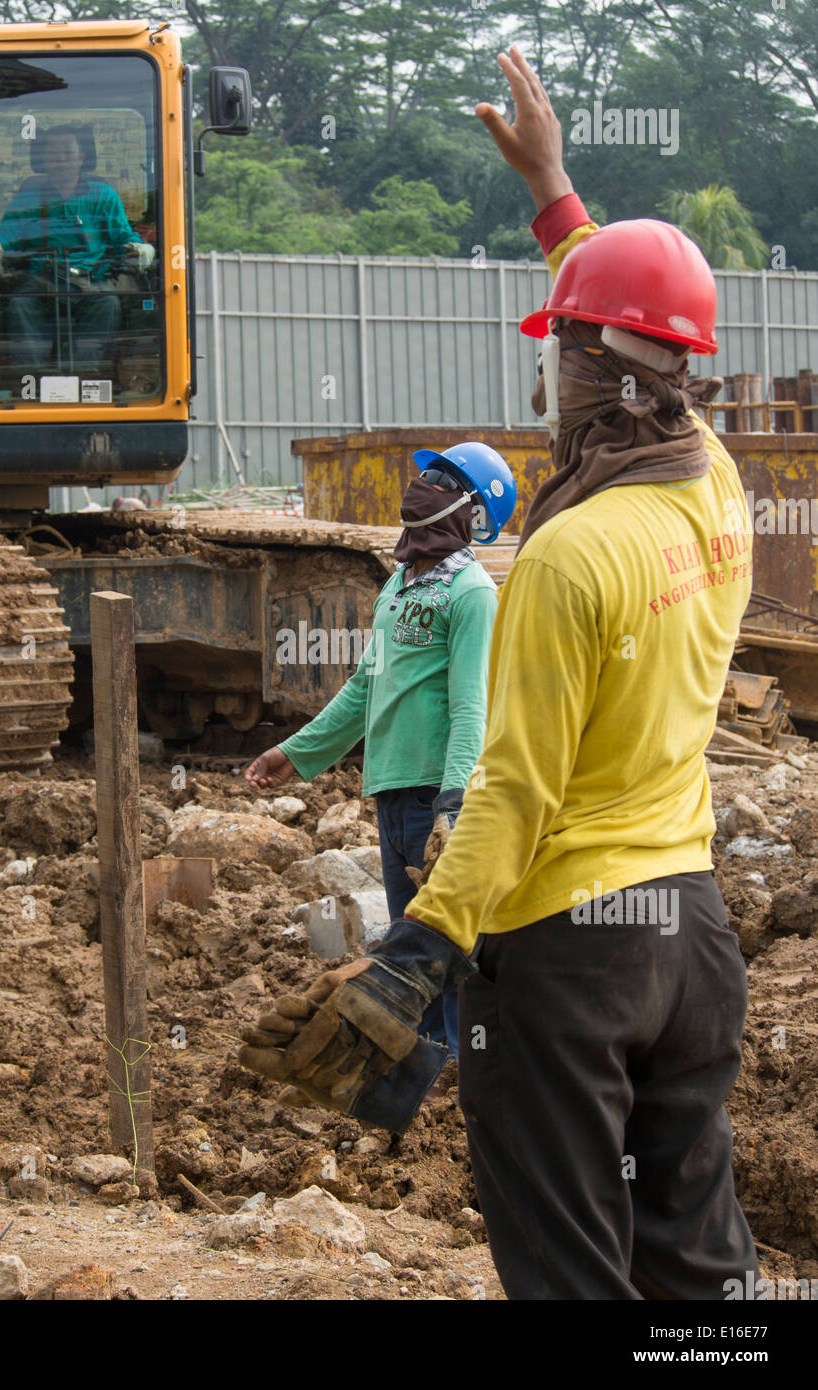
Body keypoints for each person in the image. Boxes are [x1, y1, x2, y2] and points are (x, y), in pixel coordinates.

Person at [240, 47, 760, 1301]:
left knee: (572, 1274)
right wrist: (554, 192)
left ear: (585, 369)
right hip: (688, 944)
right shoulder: (718, 485)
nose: (544, 372)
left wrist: (423, 943)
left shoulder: (568, 556)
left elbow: (516, 794)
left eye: (556, 352)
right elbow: (631, 319)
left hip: (567, 957)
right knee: (695, 1271)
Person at [244, 442, 517, 1056]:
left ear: (470, 512)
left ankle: (455, 1071)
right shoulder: (397, 584)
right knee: (406, 939)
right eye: (430, 472)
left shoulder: (472, 593)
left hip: (433, 796)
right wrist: (296, 752)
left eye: (445, 479)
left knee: (441, 947)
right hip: (392, 793)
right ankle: (419, 1067)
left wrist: (454, 801)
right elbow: (367, 686)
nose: (426, 483)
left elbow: (472, 703)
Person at [0, 124, 153, 375]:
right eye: (53, 152)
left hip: (90, 280)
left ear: (82, 157)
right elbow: (4, 241)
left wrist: (139, 249)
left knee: (108, 303)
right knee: (20, 306)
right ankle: (30, 377)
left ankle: (85, 373)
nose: (61, 159)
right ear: (42, 159)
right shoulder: (26, 199)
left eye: (68, 152)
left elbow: (122, 238)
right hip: (41, 281)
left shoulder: (104, 196)